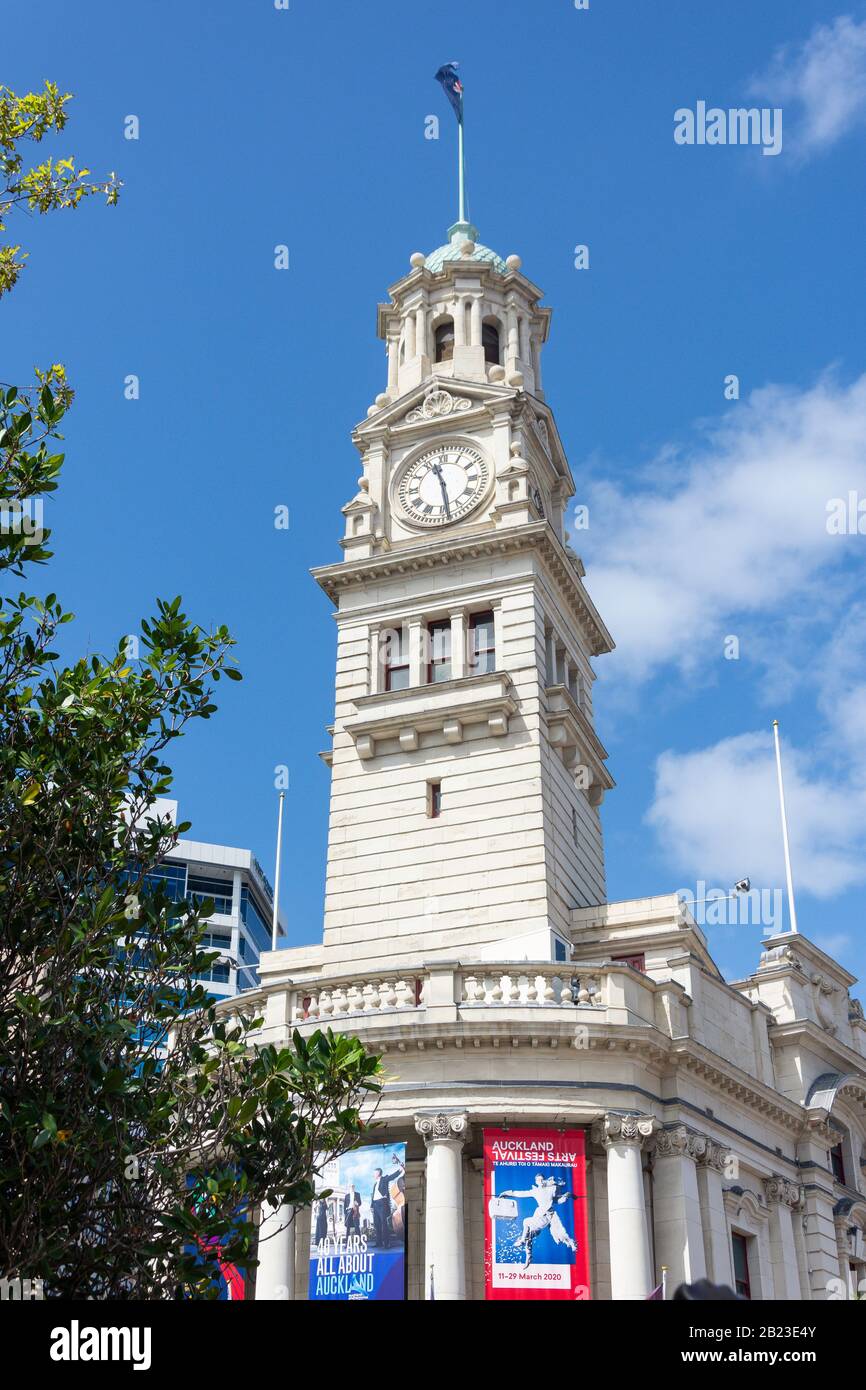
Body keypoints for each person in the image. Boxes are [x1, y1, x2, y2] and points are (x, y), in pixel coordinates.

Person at [499, 1174, 577, 1267]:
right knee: (529, 1232)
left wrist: (565, 1194)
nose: (540, 1182)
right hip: (540, 1216)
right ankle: (526, 1250)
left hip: (547, 1216)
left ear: (544, 1180)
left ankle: (523, 1241)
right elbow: (520, 1193)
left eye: (542, 1180)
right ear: (536, 1182)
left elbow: (557, 1195)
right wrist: (506, 1193)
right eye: (538, 1180)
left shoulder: (551, 1189)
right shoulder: (535, 1191)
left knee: (526, 1222)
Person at [370, 1153, 405, 1249]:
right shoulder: (374, 1184)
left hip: (382, 1203)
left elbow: (393, 1176)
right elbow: (373, 1196)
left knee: (383, 1224)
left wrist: (400, 1169)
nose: (373, 1174)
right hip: (376, 1204)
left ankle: (386, 1243)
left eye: (374, 1173)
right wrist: (372, 1206)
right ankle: (379, 1242)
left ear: (378, 1173)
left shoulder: (384, 1179)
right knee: (377, 1224)